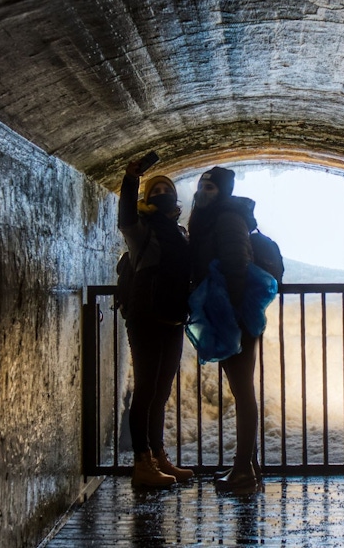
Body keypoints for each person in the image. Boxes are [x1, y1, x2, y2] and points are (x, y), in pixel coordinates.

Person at [187, 166, 265, 495]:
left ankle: (244, 471)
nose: (204, 191)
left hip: (237, 317)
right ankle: (246, 464)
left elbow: (237, 266)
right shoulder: (213, 218)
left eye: (212, 187)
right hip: (230, 315)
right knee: (240, 389)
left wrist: (231, 318)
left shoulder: (227, 219)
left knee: (243, 390)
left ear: (224, 192)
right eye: (202, 185)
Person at [118, 159, 194, 488]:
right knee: (147, 389)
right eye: (156, 190)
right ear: (148, 198)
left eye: (167, 190)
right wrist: (131, 180)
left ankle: (158, 456)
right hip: (146, 316)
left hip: (173, 317)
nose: (162, 194)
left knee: (161, 392)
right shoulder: (142, 231)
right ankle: (142, 462)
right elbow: (125, 219)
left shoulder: (180, 232)